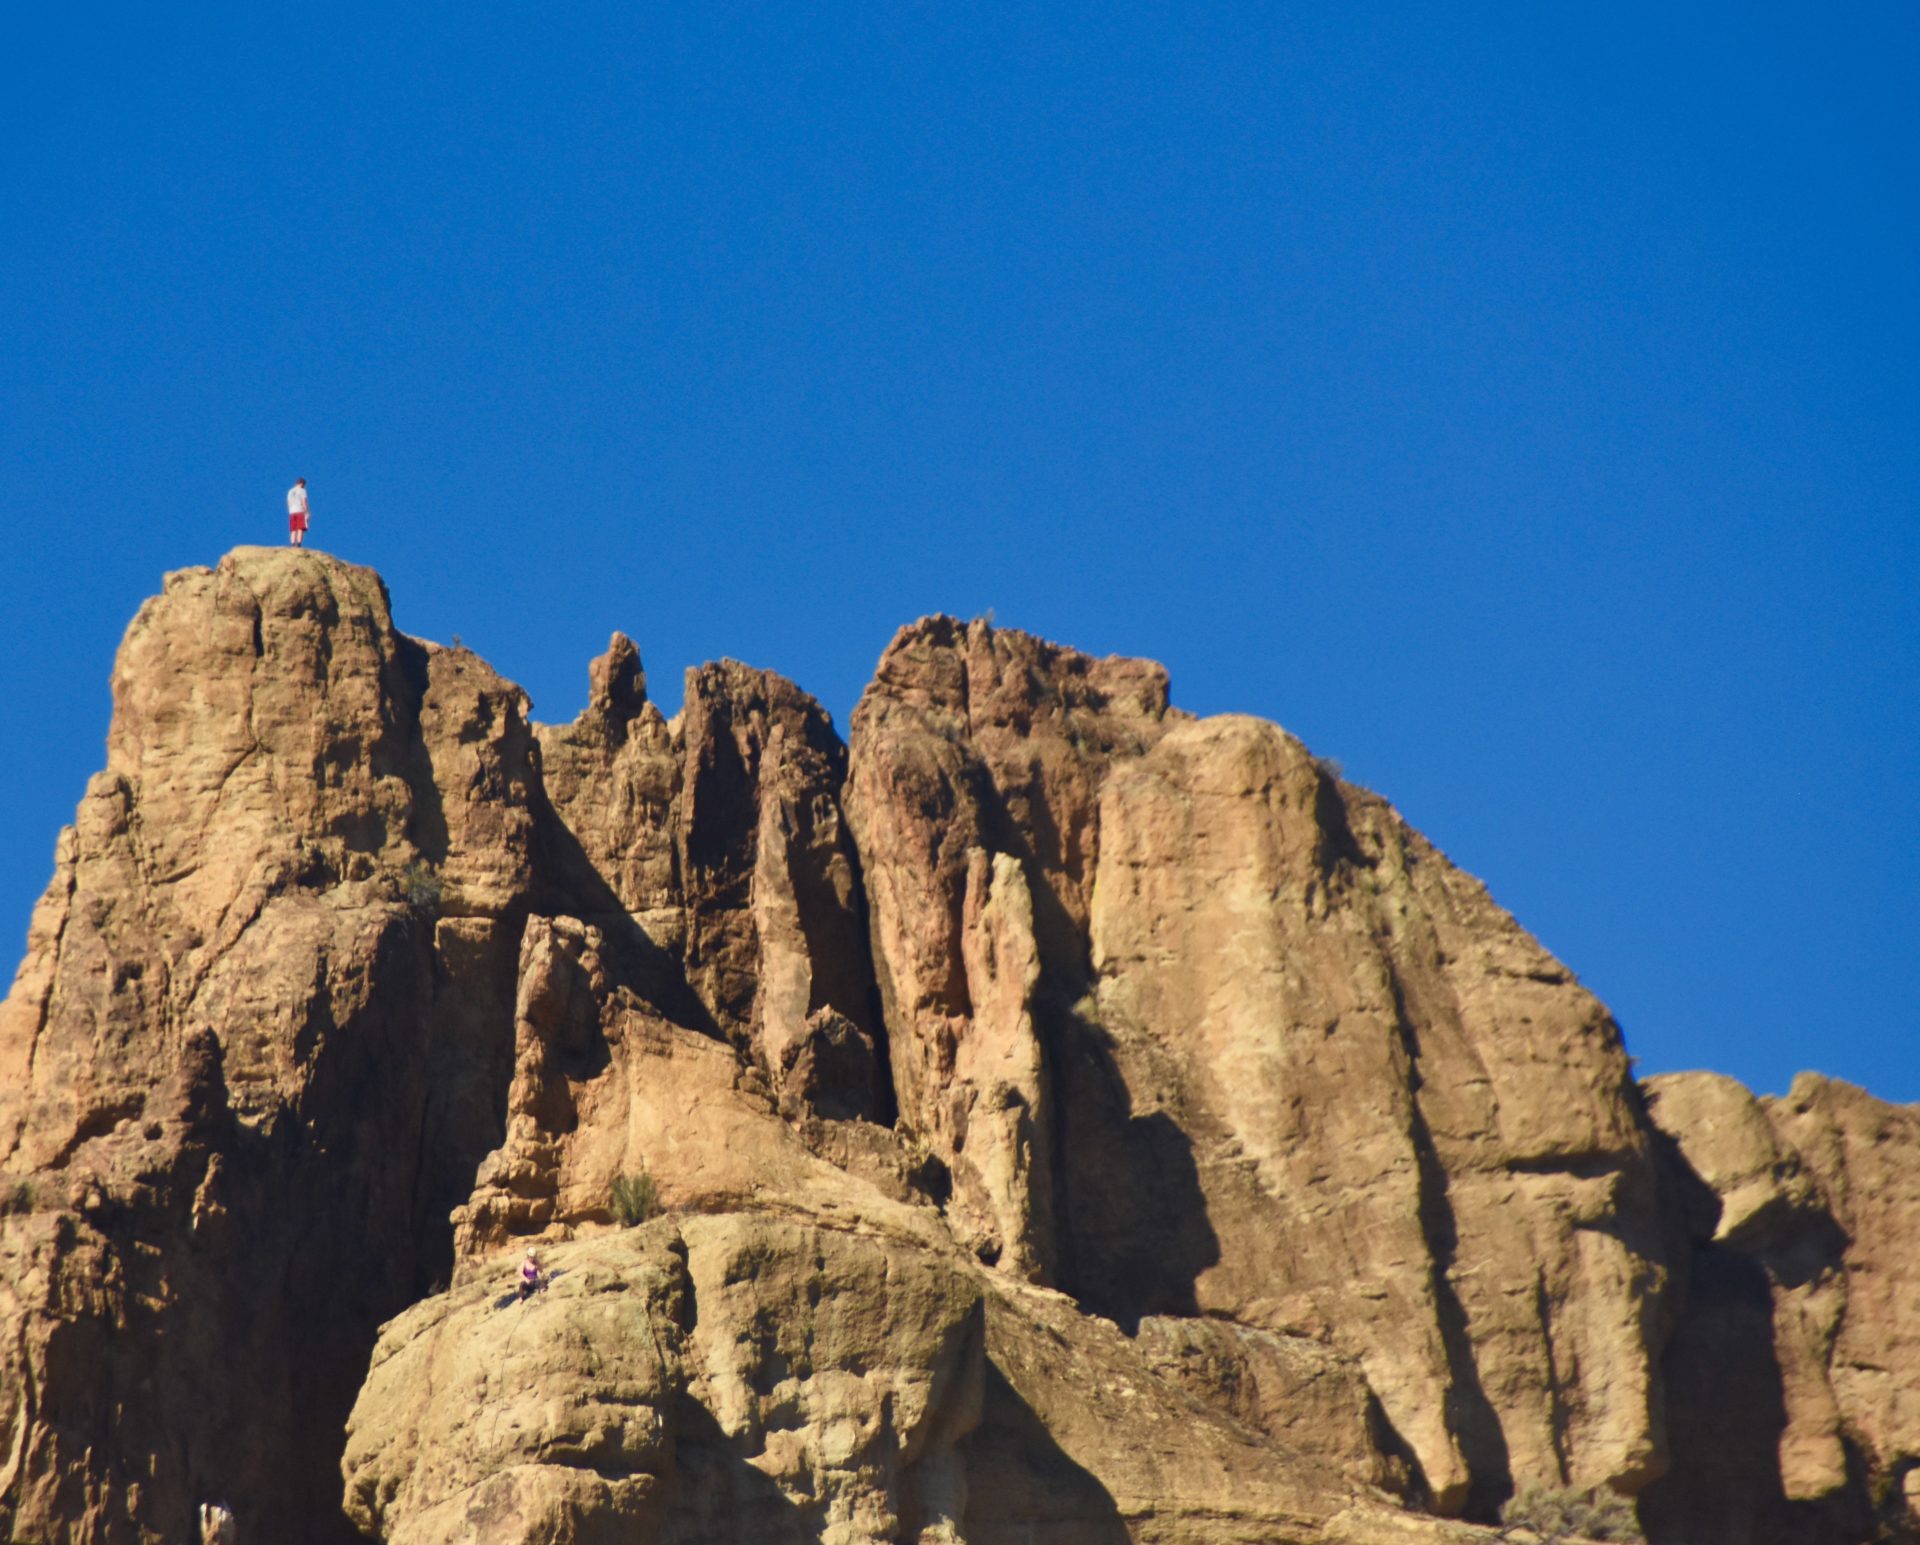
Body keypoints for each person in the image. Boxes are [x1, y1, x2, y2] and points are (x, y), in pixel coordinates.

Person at [286, 479, 309, 546]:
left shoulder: (290, 491)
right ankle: (299, 543)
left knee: (293, 529)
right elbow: (304, 502)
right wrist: (307, 512)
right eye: (304, 485)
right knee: (300, 528)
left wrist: (290, 510)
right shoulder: (302, 490)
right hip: (300, 510)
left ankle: (292, 543)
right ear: (302, 484)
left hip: (292, 512)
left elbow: (288, 502)